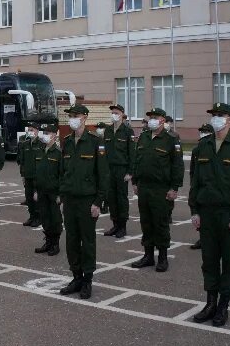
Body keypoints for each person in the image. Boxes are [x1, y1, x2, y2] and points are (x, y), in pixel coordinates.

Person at [189, 103, 230, 327]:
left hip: (228, 214)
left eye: (220, 115)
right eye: (214, 115)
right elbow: (195, 181)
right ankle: (210, 302)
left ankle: (223, 305)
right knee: (209, 260)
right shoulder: (202, 146)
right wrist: (194, 210)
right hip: (206, 212)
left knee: (229, 261)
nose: (216, 118)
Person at [58, 105, 109, 300]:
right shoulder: (67, 142)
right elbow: (63, 172)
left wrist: (98, 202)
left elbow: (103, 174)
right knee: (71, 240)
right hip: (70, 200)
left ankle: (87, 280)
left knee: (87, 241)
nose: (72, 119)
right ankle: (76, 277)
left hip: (88, 200)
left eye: (75, 116)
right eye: (70, 116)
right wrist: (62, 197)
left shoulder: (96, 141)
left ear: (85, 118)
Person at [131, 108, 184, 272]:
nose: (152, 120)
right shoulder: (144, 137)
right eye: (150, 117)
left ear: (162, 120)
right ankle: (148, 256)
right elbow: (137, 160)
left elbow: (177, 166)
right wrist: (135, 181)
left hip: (161, 189)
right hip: (144, 187)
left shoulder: (171, 140)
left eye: (155, 117)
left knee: (160, 224)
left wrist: (174, 188)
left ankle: (162, 257)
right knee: (146, 222)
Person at [102, 104, 136, 239]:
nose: (113, 115)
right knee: (111, 197)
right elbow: (104, 151)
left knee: (121, 198)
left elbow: (132, 153)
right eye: (112, 113)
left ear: (122, 114)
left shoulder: (128, 131)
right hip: (110, 168)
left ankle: (123, 226)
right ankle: (115, 224)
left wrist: (130, 172)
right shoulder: (108, 130)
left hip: (122, 169)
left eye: (116, 113)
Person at [33, 123, 63, 256]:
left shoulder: (58, 153)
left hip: (53, 192)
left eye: (48, 133)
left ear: (54, 136)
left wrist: (60, 194)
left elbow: (63, 175)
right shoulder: (40, 151)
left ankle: (55, 244)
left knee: (55, 218)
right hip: (41, 191)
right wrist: (35, 190)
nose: (45, 136)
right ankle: (48, 242)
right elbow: (36, 173)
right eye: (44, 133)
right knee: (44, 217)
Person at [189, 123, 214, 250]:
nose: (203, 133)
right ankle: (202, 238)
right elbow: (193, 170)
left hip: (210, 186)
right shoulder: (196, 149)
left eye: (205, 131)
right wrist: (193, 184)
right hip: (198, 186)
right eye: (201, 131)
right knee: (199, 213)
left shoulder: (212, 148)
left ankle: (211, 240)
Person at [21, 123, 42, 227]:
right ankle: (32, 217)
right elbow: (22, 161)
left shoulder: (41, 144)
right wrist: (23, 175)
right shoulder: (25, 144)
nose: (30, 132)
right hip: (28, 176)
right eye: (29, 130)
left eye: (32, 129)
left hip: (37, 176)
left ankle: (38, 218)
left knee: (36, 199)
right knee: (29, 198)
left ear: (37, 131)